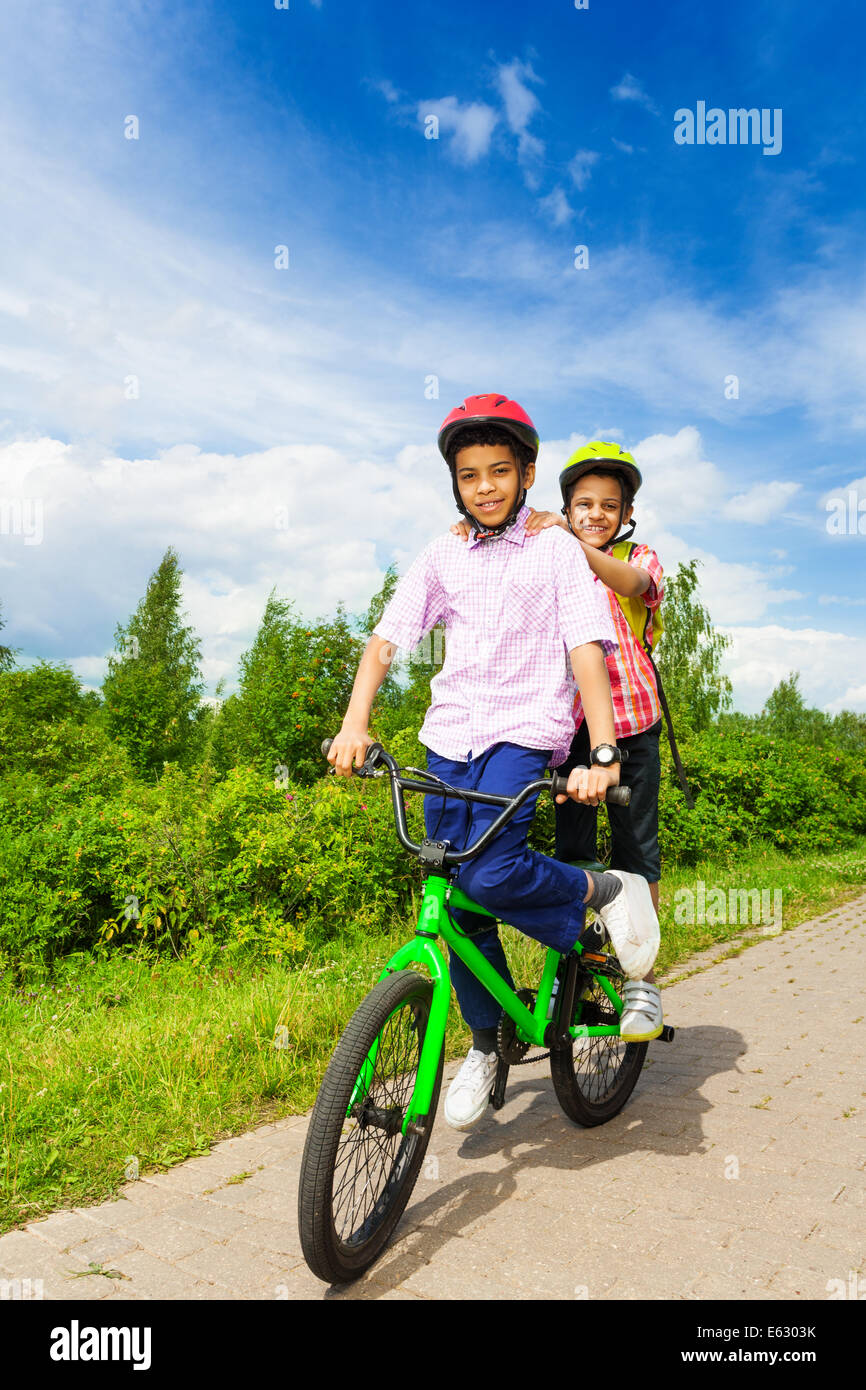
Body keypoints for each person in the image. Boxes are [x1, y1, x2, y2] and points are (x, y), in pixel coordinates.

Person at [328, 397, 660, 1130]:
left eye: (500, 472)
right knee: (451, 892)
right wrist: (356, 722)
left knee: (492, 870)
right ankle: (488, 1042)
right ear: (455, 482)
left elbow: (586, 647)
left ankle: (601, 890)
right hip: (447, 738)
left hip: (522, 731)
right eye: (470, 475)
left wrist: (602, 751)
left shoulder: (554, 549)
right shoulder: (441, 552)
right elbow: (388, 637)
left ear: (527, 475)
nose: (484, 487)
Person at [508, 441, 666, 1036]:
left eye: (608, 506)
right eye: (582, 505)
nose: (595, 514)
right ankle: (576, 967)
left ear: (625, 515)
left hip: (632, 729)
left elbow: (633, 580)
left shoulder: (634, 554)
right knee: (574, 854)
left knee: (635, 852)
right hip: (570, 734)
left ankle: (641, 981)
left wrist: (568, 545)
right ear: (566, 508)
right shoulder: (546, 555)